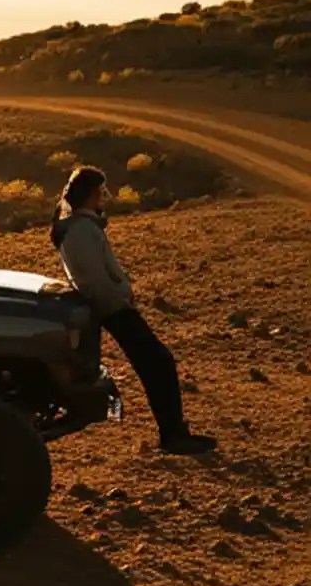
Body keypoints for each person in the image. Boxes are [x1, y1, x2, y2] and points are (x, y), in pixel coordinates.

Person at [50, 166, 217, 455]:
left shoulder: (81, 227)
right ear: (90, 195)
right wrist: (120, 298)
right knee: (158, 362)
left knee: (156, 362)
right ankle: (173, 435)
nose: (105, 197)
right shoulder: (81, 231)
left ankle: (174, 432)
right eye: (101, 192)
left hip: (111, 305)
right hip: (112, 308)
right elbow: (96, 280)